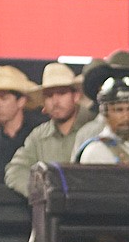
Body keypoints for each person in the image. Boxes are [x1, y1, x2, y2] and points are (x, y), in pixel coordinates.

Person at [6, 61, 90, 195]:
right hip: (52, 213)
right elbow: (15, 170)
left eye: (61, 93)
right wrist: (40, 194)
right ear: (43, 101)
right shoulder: (39, 136)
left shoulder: (93, 128)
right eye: (49, 95)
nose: (55, 101)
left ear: (76, 96)